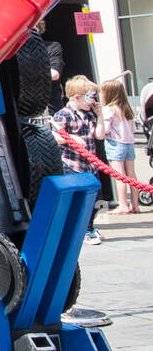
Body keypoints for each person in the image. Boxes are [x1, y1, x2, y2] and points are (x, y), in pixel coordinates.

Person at [52, 75, 107, 244]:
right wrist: (71, 139)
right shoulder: (64, 114)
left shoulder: (90, 114)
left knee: (96, 199)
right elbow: (53, 135)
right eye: (91, 96)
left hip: (90, 166)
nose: (93, 101)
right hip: (72, 165)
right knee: (77, 201)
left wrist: (100, 115)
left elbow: (100, 135)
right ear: (77, 97)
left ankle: (89, 227)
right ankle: (82, 231)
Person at [100, 79, 138, 215]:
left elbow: (105, 130)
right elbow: (133, 128)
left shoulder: (109, 109)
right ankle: (135, 204)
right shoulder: (127, 109)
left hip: (115, 144)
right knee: (132, 175)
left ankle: (123, 205)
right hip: (129, 144)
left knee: (119, 176)